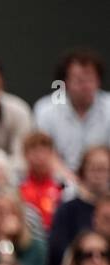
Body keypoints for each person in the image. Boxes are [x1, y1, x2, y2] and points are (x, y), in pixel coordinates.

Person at [33, 49, 110, 179]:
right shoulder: (46, 109)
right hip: (59, 183)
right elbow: (45, 155)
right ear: (65, 82)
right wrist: (74, 183)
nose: (86, 86)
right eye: (79, 80)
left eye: (90, 79)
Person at [46, 145, 110, 265]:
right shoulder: (67, 209)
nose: (98, 174)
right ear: (83, 171)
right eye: (93, 169)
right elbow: (58, 250)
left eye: (103, 169)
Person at [19, 132, 65, 232]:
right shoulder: (17, 186)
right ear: (25, 155)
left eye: (44, 152)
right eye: (35, 152)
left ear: (52, 155)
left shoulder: (63, 186)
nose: (40, 157)